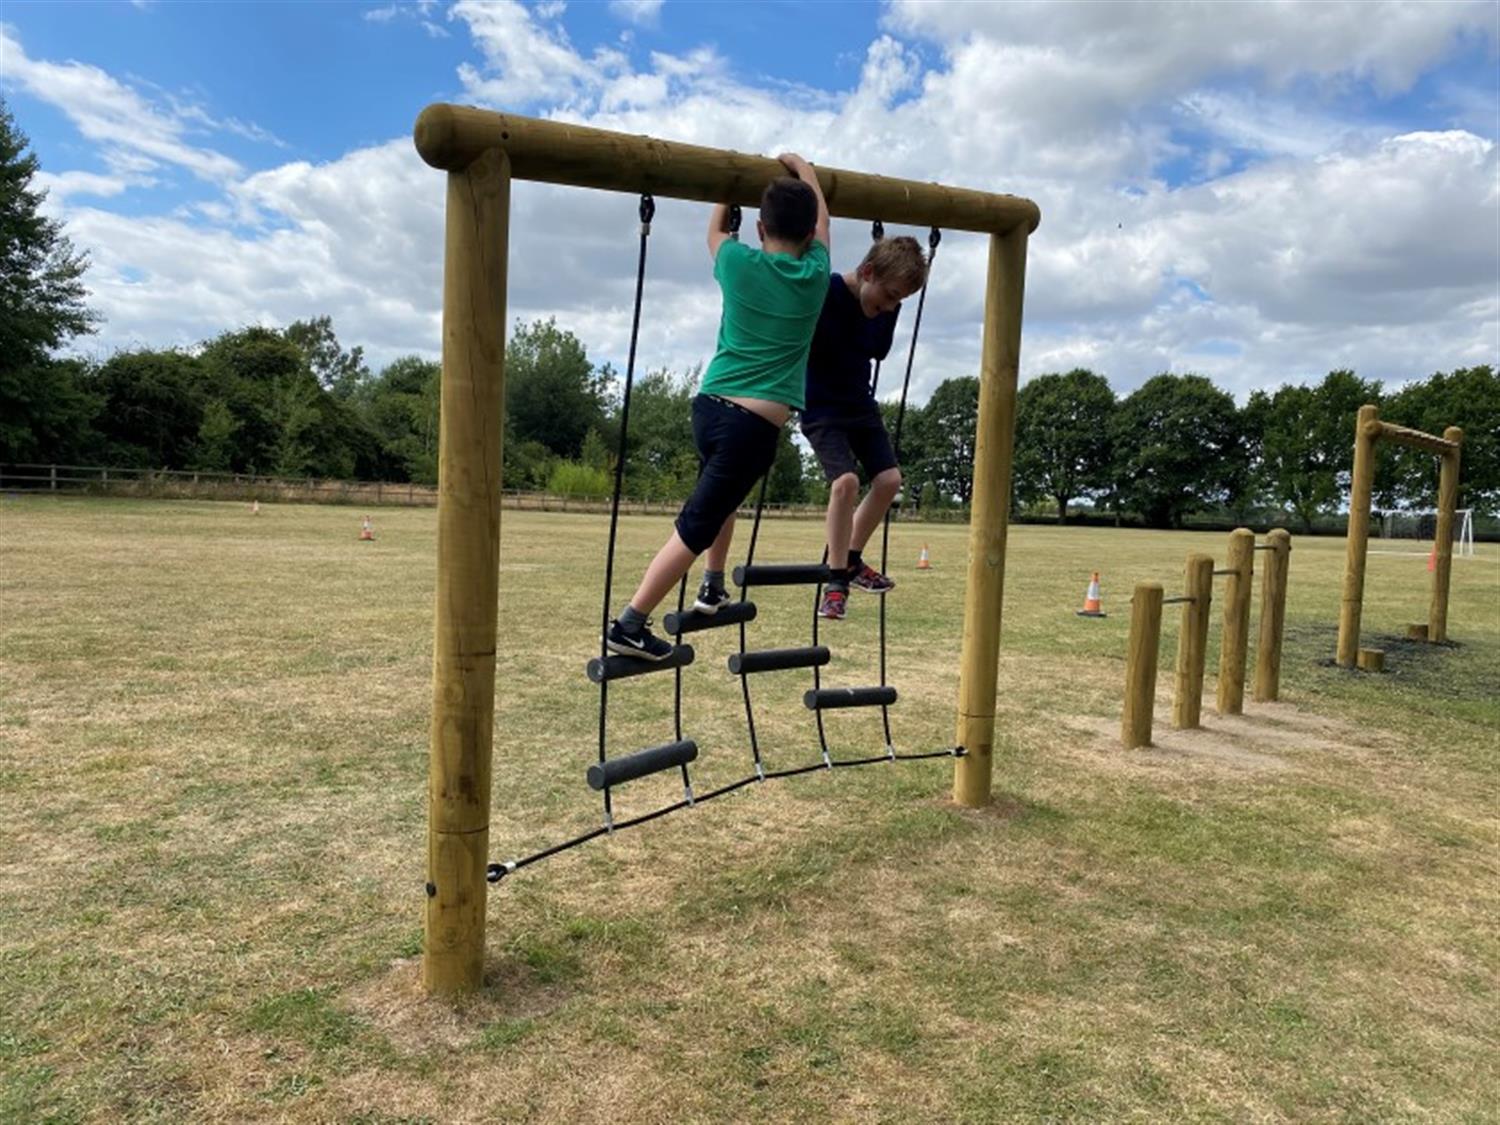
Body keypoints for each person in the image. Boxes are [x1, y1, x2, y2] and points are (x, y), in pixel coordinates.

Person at [604, 154, 831, 660]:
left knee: (722, 503)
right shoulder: (815, 274)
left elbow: (713, 232)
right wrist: (805, 169)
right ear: (809, 230)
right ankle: (629, 623)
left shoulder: (735, 261)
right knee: (697, 524)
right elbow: (824, 219)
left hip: (709, 407)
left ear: (759, 226)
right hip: (749, 427)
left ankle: (712, 584)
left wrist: (725, 184)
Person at [800, 235, 928, 619]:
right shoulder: (827, 291)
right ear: (868, 271)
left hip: (859, 403)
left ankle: (852, 560)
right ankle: (835, 580)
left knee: (889, 480)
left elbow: (878, 349)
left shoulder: (886, 305)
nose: (889, 307)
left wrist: (884, 308)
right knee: (846, 483)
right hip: (821, 406)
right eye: (889, 296)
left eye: (898, 302)